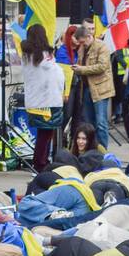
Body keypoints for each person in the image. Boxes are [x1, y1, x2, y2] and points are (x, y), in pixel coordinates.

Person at [21, 23, 65, 174]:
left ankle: (42, 160)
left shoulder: (27, 54)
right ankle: (40, 162)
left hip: (37, 100)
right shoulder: (43, 55)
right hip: (47, 100)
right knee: (45, 134)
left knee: (44, 133)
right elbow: (54, 72)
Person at [73, 22, 113, 150]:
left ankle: (103, 151)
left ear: (89, 37)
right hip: (86, 89)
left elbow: (102, 67)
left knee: (101, 122)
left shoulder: (102, 47)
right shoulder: (82, 48)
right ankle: (91, 149)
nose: (82, 45)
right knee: (88, 121)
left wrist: (81, 69)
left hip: (100, 89)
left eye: (83, 42)